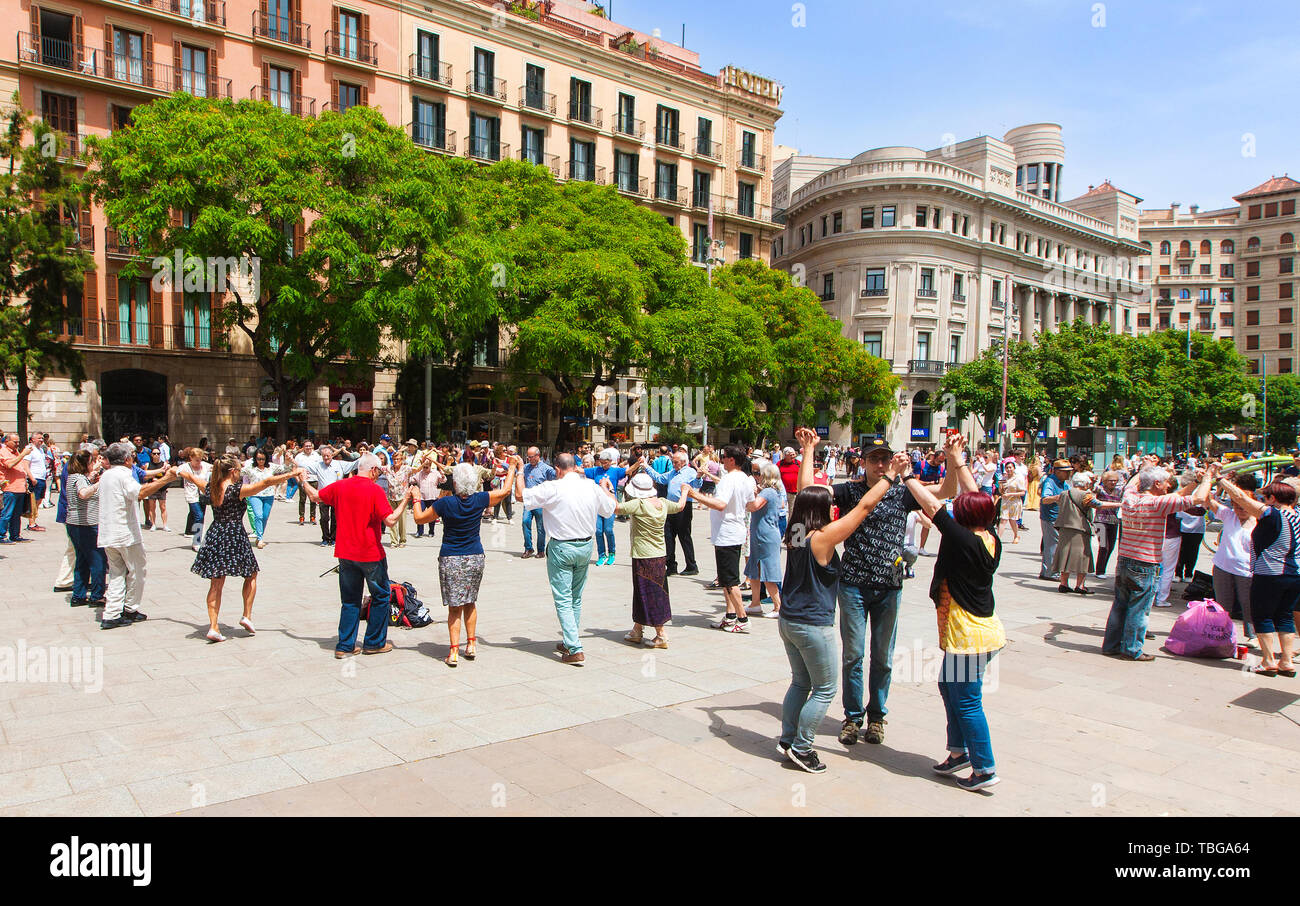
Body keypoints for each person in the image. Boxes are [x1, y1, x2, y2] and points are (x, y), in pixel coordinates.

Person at [799, 427, 970, 748]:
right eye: (874, 460)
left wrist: (950, 456)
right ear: (862, 463)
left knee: (883, 657)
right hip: (852, 585)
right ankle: (852, 717)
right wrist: (808, 450)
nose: (880, 465)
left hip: (889, 586)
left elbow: (946, 490)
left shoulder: (904, 492)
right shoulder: (850, 492)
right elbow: (809, 490)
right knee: (853, 655)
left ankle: (876, 716)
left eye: (885, 459)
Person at [775, 452, 910, 774]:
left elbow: (806, 492)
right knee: (824, 689)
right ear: (822, 510)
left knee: (799, 683)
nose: (835, 508)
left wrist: (808, 451)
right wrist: (891, 475)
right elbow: (864, 508)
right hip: (812, 624)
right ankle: (803, 748)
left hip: (788, 620)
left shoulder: (795, 533)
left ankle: (787, 738)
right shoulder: (823, 539)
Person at [903, 459, 1006, 792]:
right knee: (949, 687)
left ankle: (984, 767)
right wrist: (958, 463)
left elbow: (932, 505)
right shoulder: (988, 536)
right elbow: (976, 495)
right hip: (979, 631)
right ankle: (958, 753)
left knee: (967, 700)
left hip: (970, 636)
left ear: (965, 515)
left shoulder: (962, 538)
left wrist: (906, 476)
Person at [411, 457, 519, 667]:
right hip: (474, 556)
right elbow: (505, 492)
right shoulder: (479, 499)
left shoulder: (445, 503)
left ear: (456, 482)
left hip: (451, 557)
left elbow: (419, 518)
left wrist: (416, 497)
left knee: (454, 606)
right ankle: (470, 644)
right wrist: (513, 468)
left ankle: (453, 652)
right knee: (470, 601)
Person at [299, 453, 409, 658]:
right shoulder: (375, 490)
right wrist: (407, 500)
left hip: (346, 553)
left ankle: (345, 645)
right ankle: (374, 642)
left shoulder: (340, 486)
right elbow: (391, 521)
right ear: (374, 470)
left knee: (350, 600)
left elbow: (314, 496)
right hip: (370, 553)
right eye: (379, 471)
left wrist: (303, 479)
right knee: (381, 596)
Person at [1102, 463, 1213, 661]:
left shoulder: (1129, 497)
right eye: (1165, 483)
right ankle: (1132, 649)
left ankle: (1111, 645)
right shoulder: (1157, 504)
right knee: (1139, 608)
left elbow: (1169, 494)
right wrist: (1207, 478)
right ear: (1156, 483)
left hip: (1125, 559)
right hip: (1145, 562)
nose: (1168, 486)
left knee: (1120, 604)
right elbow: (1197, 498)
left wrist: (1145, 468)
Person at [514, 452, 617, 665]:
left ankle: (575, 647)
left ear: (558, 469)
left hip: (562, 547)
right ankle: (570, 639)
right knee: (575, 597)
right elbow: (611, 509)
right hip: (586, 546)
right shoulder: (590, 486)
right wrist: (607, 488)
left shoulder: (553, 487)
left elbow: (520, 495)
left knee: (563, 598)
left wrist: (519, 471)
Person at [189, 454, 295, 642]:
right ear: (232, 471)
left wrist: (178, 472)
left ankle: (213, 626)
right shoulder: (237, 490)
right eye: (238, 470)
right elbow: (267, 482)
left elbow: (192, 478)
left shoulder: (212, 488)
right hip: (235, 534)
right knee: (251, 573)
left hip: (216, 533)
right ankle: (247, 615)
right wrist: (293, 473)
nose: (240, 473)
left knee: (216, 582)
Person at [87, 442, 177, 629]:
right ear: (127, 459)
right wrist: (165, 479)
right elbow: (139, 492)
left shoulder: (106, 475)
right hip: (124, 533)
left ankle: (112, 613)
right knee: (137, 570)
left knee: (116, 573)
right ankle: (129, 608)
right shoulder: (123, 474)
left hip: (109, 532)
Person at [1216, 477, 1300, 676]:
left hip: (1270, 573)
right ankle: (1287, 661)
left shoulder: (1272, 514)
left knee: (1262, 616)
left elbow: (1240, 497)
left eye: (1266, 497)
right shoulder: (1297, 514)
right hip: (1295, 574)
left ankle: (1269, 660)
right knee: (1285, 616)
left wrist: (1221, 480)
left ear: (1273, 498)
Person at [611, 471, 685, 649]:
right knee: (645, 591)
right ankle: (637, 629)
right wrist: (685, 491)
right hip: (659, 554)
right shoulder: (663, 503)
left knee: (649, 593)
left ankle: (661, 634)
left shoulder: (639, 504)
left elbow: (616, 508)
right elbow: (681, 506)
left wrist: (608, 489)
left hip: (643, 555)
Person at [689, 444, 757, 633]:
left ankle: (742, 618)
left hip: (727, 533)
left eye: (724, 457)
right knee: (727, 577)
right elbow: (751, 505)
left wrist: (695, 495)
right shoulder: (745, 478)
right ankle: (730, 615)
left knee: (729, 580)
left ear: (732, 460)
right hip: (734, 531)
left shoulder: (729, 479)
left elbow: (720, 504)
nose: (722, 460)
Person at [1209, 472, 1258, 643]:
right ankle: (1223, 633)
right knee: (1223, 604)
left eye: (1243, 506)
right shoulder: (1228, 515)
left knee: (1249, 604)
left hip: (1247, 571)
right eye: (1236, 505)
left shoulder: (1259, 520)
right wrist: (1214, 480)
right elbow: (1208, 500)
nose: (1240, 509)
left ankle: (1252, 635)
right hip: (1223, 567)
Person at [1051, 473, 1115, 594]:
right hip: (1080, 529)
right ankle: (1080, 586)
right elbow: (1099, 505)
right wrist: (1119, 504)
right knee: (1083, 557)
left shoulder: (1065, 493)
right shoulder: (1085, 495)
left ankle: (1063, 583)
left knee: (1065, 556)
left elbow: (1051, 500)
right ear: (1085, 484)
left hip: (1064, 528)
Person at [642, 449, 700, 576]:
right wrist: (647, 467)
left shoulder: (690, 472)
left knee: (684, 536)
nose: (674, 464)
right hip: (670, 507)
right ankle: (671, 565)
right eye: (673, 462)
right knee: (668, 536)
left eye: (676, 462)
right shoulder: (672, 473)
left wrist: (699, 476)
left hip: (684, 507)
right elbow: (660, 478)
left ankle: (691, 565)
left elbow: (696, 484)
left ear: (684, 462)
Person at [64, 450, 107, 607]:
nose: (92, 464)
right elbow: (83, 493)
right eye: (91, 461)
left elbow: (84, 482)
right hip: (86, 525)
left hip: (74, 524)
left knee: (82, 560)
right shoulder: (79, 478)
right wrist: (99, 483)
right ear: (84, 464)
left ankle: (79, 595)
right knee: (98, 560)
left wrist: (95, 471)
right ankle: (97, 595)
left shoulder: (73, 477)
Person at [743, 461, 785, 618]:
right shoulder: (771, 491)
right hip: (761, 534)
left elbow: (753, 507)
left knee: (768, 570)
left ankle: (778, 606)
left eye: (758, 474)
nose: (756, 476)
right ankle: (755, 604)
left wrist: (748, 497)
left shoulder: (768, 492)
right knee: (755, 569)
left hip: (765, 535)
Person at [303, 445, 359, 547]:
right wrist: (292, 462)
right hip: (323, 496)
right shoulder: (318, 465)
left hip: (337, 496)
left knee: (336, 518)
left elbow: (354, 464)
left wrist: (365, 457)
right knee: (324, 518)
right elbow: (303, 466)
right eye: (324, 456)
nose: (326, 458)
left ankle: (334, 539)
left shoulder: (340, 464)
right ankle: (325, 538)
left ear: (332, 455)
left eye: (327, 456)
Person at [584, 450, 626, 565]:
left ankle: (612, 553)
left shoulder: (615, 471)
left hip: (609, 505)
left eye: (606, 463)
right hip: (597, 505)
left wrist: (639, 462)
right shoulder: (595, 470)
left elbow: (629, 470)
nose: (603, 465)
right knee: (598, 531)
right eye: (601, 462)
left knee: (608, 530)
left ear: (610, 461)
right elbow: (580, 470)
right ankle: (602, 555)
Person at [241, 449, 287, 549]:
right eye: (258, 459)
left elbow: (284, 468)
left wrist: (289, 461)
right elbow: (238, 472)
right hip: (254, 495)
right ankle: (260, 538)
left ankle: (259, 535)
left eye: (263, 459)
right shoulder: (250, 468)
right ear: (255, 458)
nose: (260, 461)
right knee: (258, 515)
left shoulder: (271, 467)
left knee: (265, 517)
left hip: (269, 495)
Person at [1037, 460, 1072, 581]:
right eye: (1065, 472)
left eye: (1069, 472)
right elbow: (1045, 499)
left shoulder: (1063, 483)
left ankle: (1047, 571)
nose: (1068, 474)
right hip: (1050, 517)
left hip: (1058, 517)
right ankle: (1050, 573)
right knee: (1052, 545)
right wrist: (1058, 497)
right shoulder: (1050, 482)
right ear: (1057, 471)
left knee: (1053, 545)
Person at [520, 446, 556, 558]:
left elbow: (556, 478)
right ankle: (528, 548)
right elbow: (516, 470)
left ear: (537, 456)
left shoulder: (546, 469)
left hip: (541, 502)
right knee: (525, 522)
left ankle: (541, 550)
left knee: (541, 527)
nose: (529, 459)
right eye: (528, 457)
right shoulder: (525, 468)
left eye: (531, 457)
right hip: (528, 502)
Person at [178, 447, 213, 551]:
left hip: (203, 496)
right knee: (199, 516)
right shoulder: (185, 467)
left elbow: (217, 467)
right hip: (192, 496)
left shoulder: (205, 466)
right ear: (191, 458)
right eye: (196, 460)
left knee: (201, 518)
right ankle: (196, 541)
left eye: (200, 459)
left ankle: (199, 538)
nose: (199, 462)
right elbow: (175, 470)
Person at [0, 433, 33, 543]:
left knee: (16, 514)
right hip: (10, 488)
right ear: (6, 442)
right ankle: (1, 535)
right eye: (15, 442)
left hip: (20, 488)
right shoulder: (3, 452)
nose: (17, 444)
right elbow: (9, 465)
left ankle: (15, 535)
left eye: (18, 442)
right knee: (7, 514)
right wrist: (23, 454)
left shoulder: (16, 452)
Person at [1093, 471, 1124, 578]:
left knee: (1111, 547)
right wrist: (1092, 482)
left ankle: (1103, 569)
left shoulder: (1119, 491)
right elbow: (1092, 489)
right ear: (1105, 481)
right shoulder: (1100, 490)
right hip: (1100, 521)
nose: (1113, 482)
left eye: (1115, 480)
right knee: (1104, 546)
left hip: (1114, 521)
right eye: (1111, 480)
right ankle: (1100, 571)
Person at [410, 451, 445, 541]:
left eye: (427, 467)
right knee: (420, 513)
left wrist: (442, 475)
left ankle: (431, 531)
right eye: (424, 467)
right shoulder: (420, 473)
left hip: (432, 497)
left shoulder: (435, 473)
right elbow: (411, 480)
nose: (425, 469)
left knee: (431, 515)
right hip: (422, 497)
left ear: (430, 466)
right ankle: (420, 531)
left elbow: (443, 480)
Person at [996, 460, 1025, 543]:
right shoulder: (1004, 478)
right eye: (1007, 468)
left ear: (1014, 468)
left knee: (1012, 520)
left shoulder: (1018, 478)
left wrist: (1010, 494)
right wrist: (1000, 487)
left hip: (1014, 502)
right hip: (1005, 502)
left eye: (1010, 467)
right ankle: (998, 539)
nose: (1008, 469)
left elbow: (1022, 492)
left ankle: (1016, 535)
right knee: (1003, 519)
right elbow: (1001, 491)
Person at [294, 440, 321, 525]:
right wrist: (298, 479)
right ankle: (301, 517)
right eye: (306, 446)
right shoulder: (299, 456)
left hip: (314, 480)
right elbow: (294, 468)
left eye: (310, 446)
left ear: (312, 446)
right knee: (302, 500)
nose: (308, 448)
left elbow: (321, 468)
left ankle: (312, 517)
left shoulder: (317, 456)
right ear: (303, 447)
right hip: (303, 480)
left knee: (313, 499)